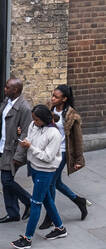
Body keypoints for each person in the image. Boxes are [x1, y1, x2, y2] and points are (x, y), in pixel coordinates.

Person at [10, 105, 67, 249]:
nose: (33, 122)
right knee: (47, 199)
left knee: (35, 203)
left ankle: (27, 238)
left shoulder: (54, 134)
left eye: (36, 120)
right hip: (34, 167)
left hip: (45, 171)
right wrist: (23, 137)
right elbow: (29, 138)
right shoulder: (33, 125)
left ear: (44, 119)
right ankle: (60, 229)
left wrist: (30, 147)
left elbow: (48, 157)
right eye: (33, 119)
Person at [40, 83, 89, 228]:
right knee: (57, 183)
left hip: (61, 152)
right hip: (49, 150)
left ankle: (50, 216)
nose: (52, 98)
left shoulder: (72, 115)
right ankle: (79, 200)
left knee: (49, 184)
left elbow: (78, 139)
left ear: (64, 99)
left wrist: (79, 159)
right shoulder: (49, 108)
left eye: (56, 97)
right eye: (52, 95)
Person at [0, 77, 32, 224]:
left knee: (6, 180)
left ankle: (29, 201)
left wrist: (18, 156)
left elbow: (26, 133)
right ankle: (12, 213)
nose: (4, 89)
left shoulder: (24, 108)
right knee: (7, 181)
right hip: (3, 146)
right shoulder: (7, 101)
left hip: (13, 150)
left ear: (16, 90)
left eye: (7, 88)